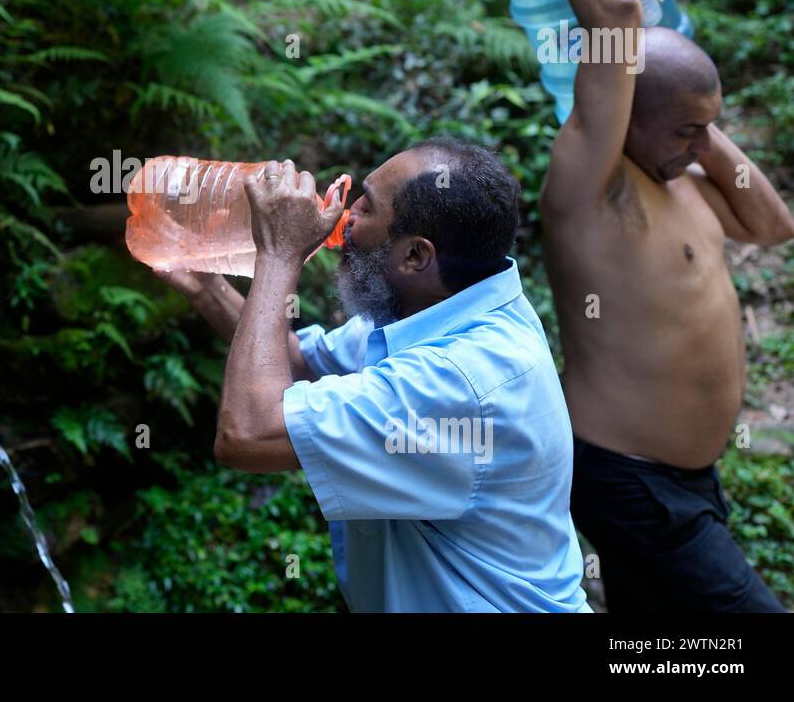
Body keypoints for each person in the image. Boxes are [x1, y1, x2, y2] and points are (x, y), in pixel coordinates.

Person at [508, 0, 794, 611]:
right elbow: (616, 17)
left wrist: (698, 128)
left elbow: (773, 225)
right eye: (684, 131)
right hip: (628, 476)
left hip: (689, 479)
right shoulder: (590, 188)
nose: (697, 146)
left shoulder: (687, 180)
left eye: (709, 130)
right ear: (620, 114)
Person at [152, 138, 589, 611]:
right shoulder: (441, 308)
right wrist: (207, 288)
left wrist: (278, 258)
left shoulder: (458, 381)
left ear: (416, 256)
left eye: (366, 206)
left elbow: (248, 432)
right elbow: (298, 366)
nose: (346, 214)